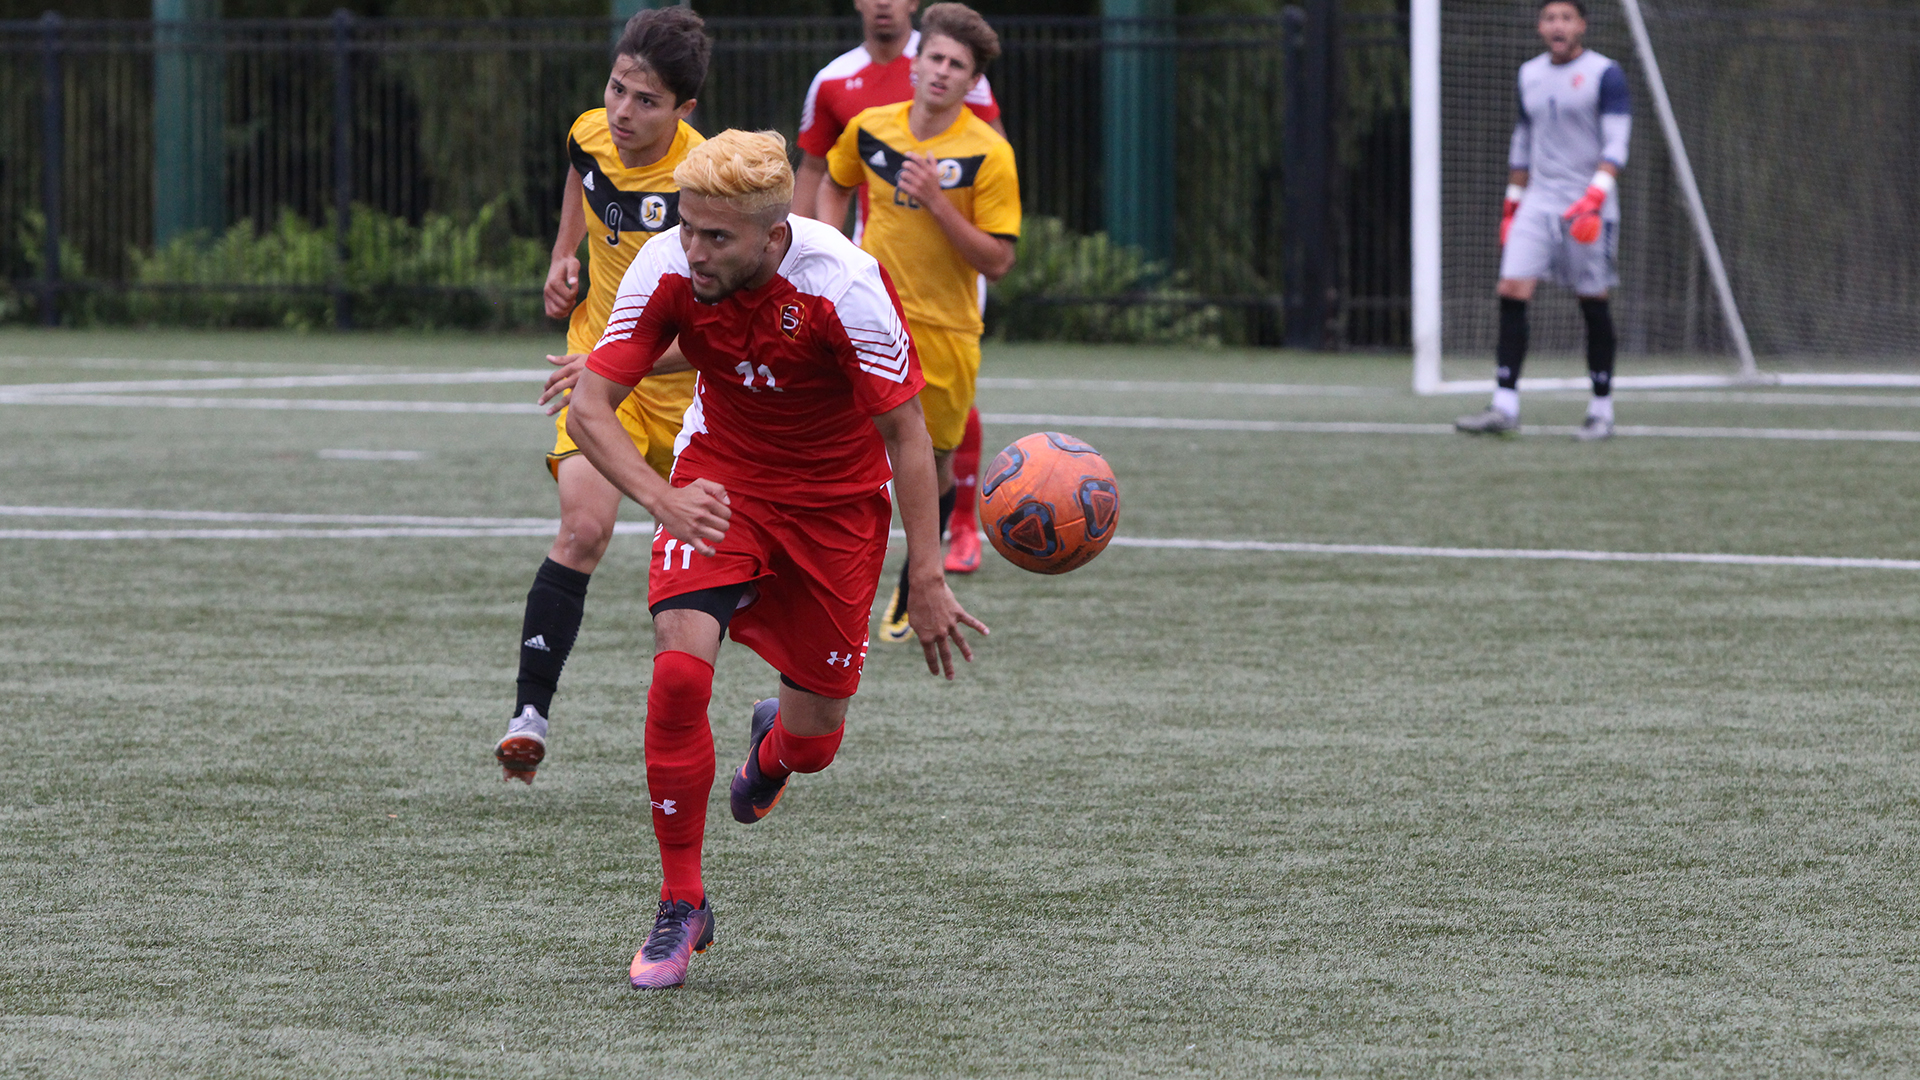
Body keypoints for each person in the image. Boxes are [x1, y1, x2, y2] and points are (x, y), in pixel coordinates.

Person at [567, 129, 987, 989]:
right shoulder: (666, 267)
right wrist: (662, 498)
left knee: (816, 741)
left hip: (836, 510)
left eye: (716, 237)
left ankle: (774, 748)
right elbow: (590, 404)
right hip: (718, 479)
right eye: (688, 228)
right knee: (678, 677)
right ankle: (681, 902)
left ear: (772, 231)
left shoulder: (845, 285)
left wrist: (929, 571)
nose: (694, 249)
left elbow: (907, 433)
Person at [493, 8, 709, 784]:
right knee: (584, 527)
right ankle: (529, 716)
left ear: (684, 111)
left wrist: (626, 369)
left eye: (645, 101)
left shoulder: (707, 181)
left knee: (716, 585)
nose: (622, 111)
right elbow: (581, 180)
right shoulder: (590, 133)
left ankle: (770, 723)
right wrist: (562, 256)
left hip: (687, 388)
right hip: (599, 371)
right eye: (617, 88)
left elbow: (721, 328)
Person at [814, 2, 1019, 643]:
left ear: (970, 82)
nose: (941, 71)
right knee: (840, 452)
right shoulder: (872, 128)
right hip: (871, 321)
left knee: (932, 463)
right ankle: (825, 579)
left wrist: (937, 203)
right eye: (934, 57)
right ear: (916, 61)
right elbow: (835, 179)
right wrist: (833, 246)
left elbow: (999, 258)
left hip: (949, 331)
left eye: (956, 65)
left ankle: (916, 580)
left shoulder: (989, 154)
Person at [1456, 0, 1630, 442]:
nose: (1558, 25)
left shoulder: (1605, 73)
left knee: (1592, 299)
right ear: (1540, 26)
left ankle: (1601, 410)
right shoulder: (1528, 74)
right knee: (1512, 288)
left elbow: (1617, 146)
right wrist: (1512, 205)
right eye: (1551, 18)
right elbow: (1523, 141)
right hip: (1539, 201)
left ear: (1582, 26)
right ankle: (1504, 405)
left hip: (1588, 204)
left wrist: (1593, 199)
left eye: (1567, 18)